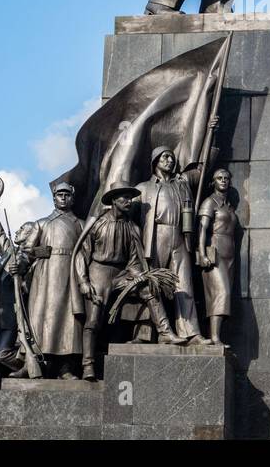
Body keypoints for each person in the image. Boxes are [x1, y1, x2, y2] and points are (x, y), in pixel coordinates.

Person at [73, 182, 186, 381]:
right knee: (93, 320)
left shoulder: (132, 227)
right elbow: (82, 254)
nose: (129, 202)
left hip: (121, 273)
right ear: (114, 201)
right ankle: (88, 365)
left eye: (130, 198)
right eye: (124, 198)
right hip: (98, 271)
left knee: (149, 289)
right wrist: (83, 281)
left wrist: (138, 274)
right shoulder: (98, 223)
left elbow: (134, 258)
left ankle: (165, 332)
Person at [133, 143, 213, 342]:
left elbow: (202, 168)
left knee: (184, 285)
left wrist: (210, 132)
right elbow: (127, 214)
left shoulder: (182, 183)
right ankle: (145, 334)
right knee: (151, 285)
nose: (170, 160)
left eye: (171, 157)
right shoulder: (143, 188)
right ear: (155, 162)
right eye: (165, 157)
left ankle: (191, 332)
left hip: (179, 236)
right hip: (155, 236)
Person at [8, 181, 85, 378]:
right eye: (60, 195)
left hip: (70, 275)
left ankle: (66, 368)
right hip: (46, 278)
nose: (63, 198)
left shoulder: (80, 224)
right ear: (53, 198)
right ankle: (30, 364)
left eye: (67, 195)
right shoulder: (42, 223)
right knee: (40, 320)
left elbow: (86, 253)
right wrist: (19, 265)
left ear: (72, 198)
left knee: (69, 322)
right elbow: (27, 252)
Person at [196, 167, 238, 345]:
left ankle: (216, 335)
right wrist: (202, 253)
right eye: (219, 178)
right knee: (221, 293)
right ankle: (214, 337)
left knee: (225, 295)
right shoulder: (209, 202)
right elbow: (202, 230)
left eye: (226, 178)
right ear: (213, 182)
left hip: (229, 255)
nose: (223, 180)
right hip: (215, 253)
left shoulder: (229, 205)